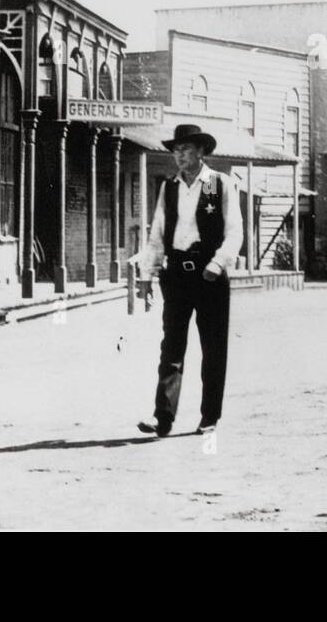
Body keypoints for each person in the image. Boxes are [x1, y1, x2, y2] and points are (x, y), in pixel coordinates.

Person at [127, 124, 243, 438]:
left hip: (210, 276)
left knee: (213, 349)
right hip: (177, 274)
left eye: (186, 149)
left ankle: (209, 417)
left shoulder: (219, 185)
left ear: (201, 151)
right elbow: (157, 235)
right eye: (176, 149)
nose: (179, 155)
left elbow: (234, 233)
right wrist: (147, 277)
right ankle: (162, 417)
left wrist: (217, 264)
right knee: (172, 348)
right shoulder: (170, 187)